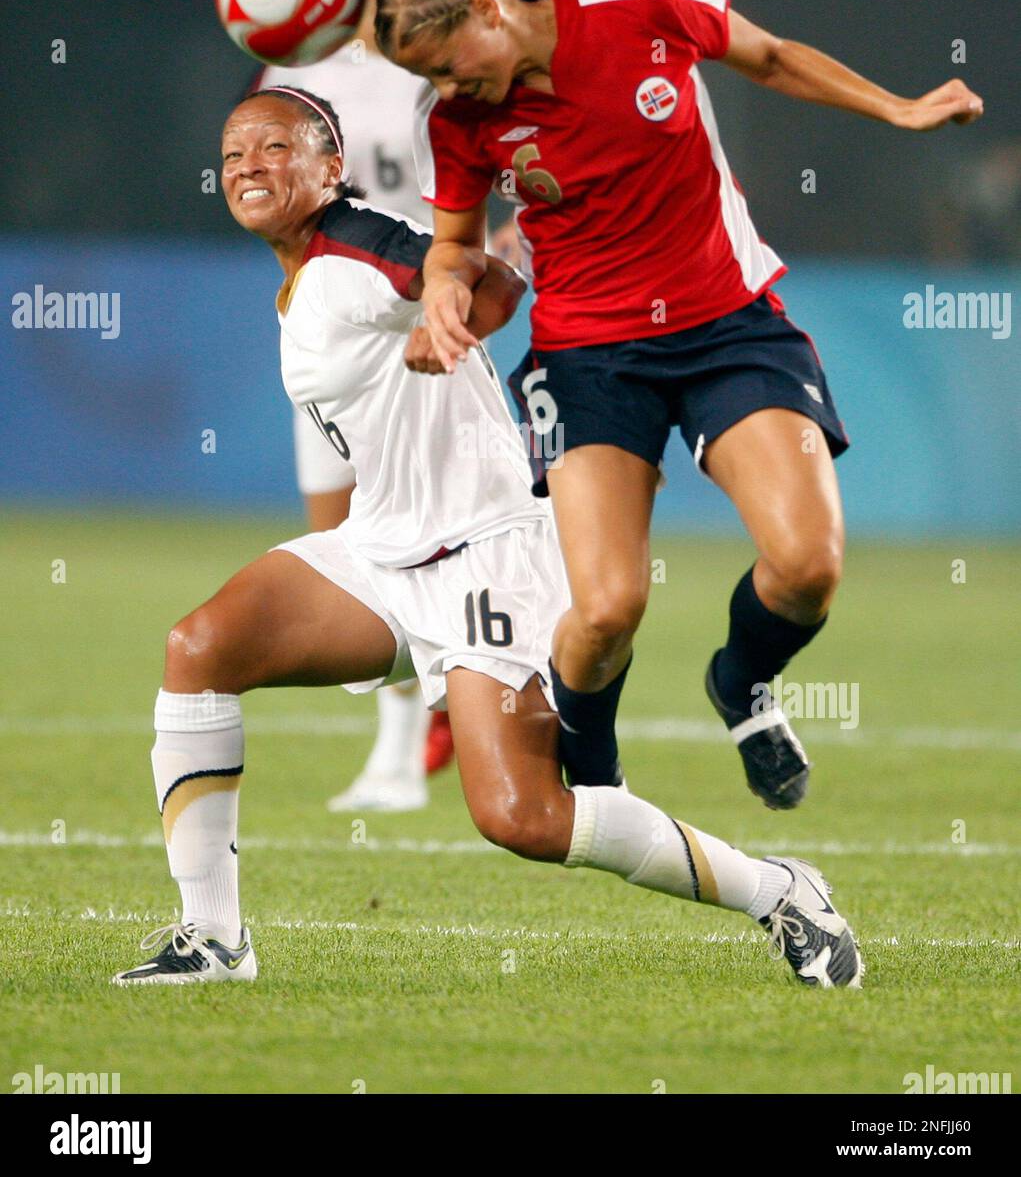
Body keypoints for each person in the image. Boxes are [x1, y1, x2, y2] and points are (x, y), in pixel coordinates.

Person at [112, 87, 862, 989]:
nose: (249, 167)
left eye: (277, 147)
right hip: (383, 547)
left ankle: (780, 892)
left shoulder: (358, 243)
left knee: (525, 818)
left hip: (487, 550)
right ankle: (214, 941)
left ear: (330, 166)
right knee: (199, 648)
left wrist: (453, 314)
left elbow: (490, 281)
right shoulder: (306, 270)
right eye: (234, 155)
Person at [374, 0, 984, 809]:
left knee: (807, 567)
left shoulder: (646, 5)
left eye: (449, 68)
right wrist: (442, 292)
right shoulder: (459, 123)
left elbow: (772, 58)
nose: (450, 93)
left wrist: (896, 108)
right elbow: (453, 246)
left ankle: (739, 681)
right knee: (608, 607)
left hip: (729, 326)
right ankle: (598, 783)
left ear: (487, 10)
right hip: (585, 356)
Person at [254, 0, 452, 813]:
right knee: (337, 542)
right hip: (327, 329)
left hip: (417, 331)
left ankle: (410, 747)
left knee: (426, 538)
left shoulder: (439, 61)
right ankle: (418, 714)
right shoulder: (296, 70)